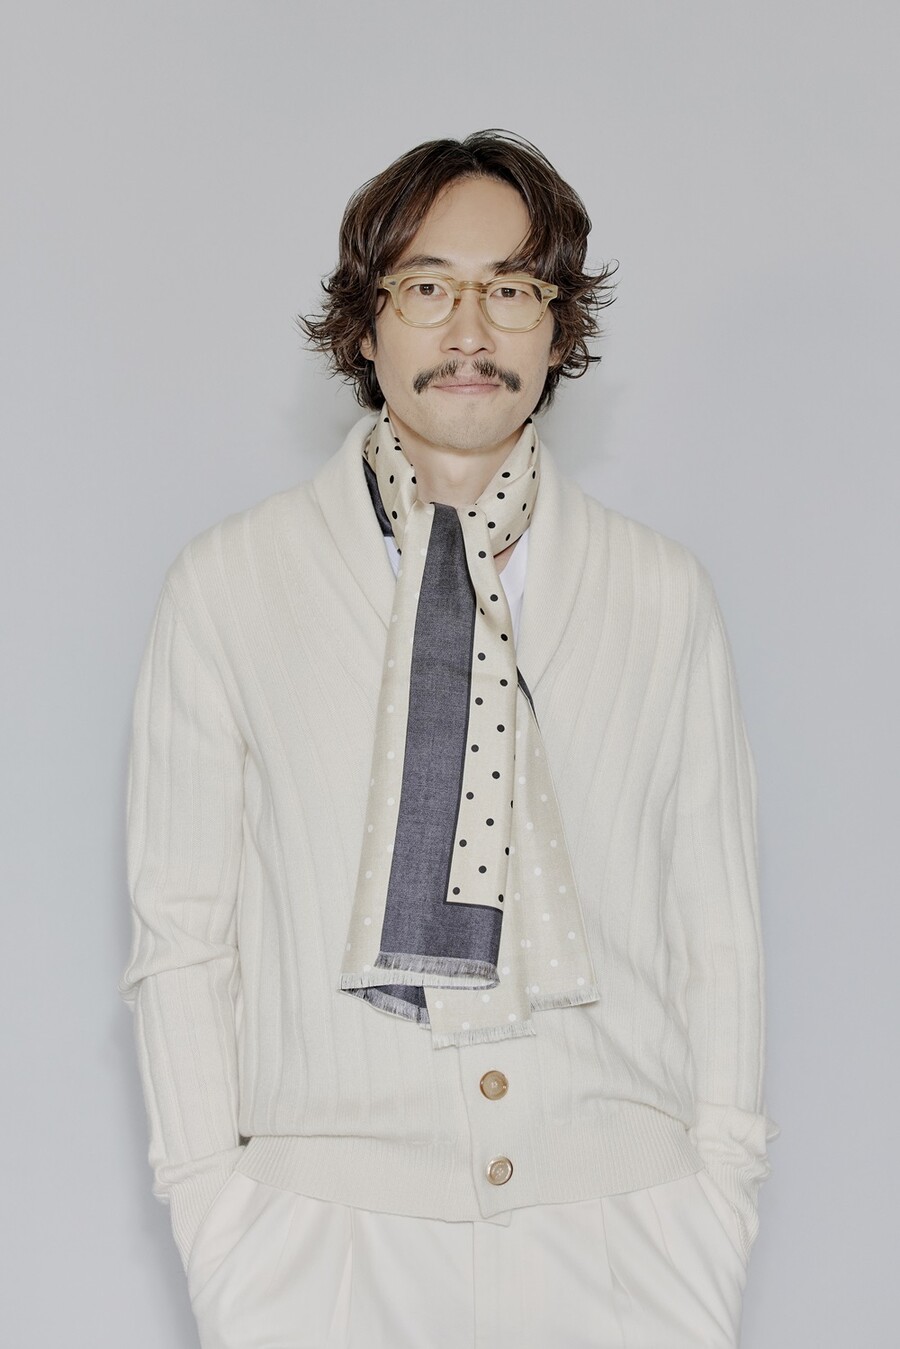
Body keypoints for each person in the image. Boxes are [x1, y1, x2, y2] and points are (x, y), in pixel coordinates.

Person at [119, 130, 777, 1349]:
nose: (469, 329)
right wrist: (218, 1209)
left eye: (511, 289)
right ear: (365, 325)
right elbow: (185, 933)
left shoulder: (660, 593)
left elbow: (718, 925)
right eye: (427, 286)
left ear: (558, 328)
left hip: (626, 1234)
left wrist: (713, 1193)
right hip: (322, 1242)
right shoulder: (232, 585)